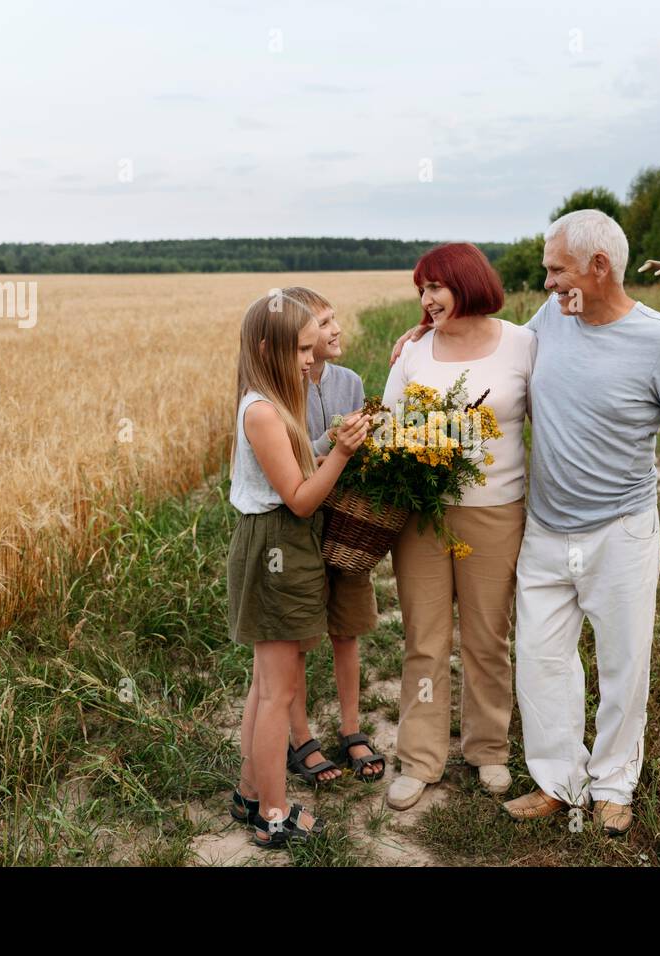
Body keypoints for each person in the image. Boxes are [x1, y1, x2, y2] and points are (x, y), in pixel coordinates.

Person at [389, 211, 660, 835]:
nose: (549, 281)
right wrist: (421, 329)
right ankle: (559, 782)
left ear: (599, 267)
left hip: (620, 529)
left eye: (557, 269)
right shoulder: (548, 323)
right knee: (541, 661)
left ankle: (614, 786)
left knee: (622, 662)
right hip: (543, 528)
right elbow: (485, 343)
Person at [381, 243, 536, 811]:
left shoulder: (522, 343)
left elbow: (550, 418)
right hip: (422, 514)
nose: (425, 299)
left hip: (496, 511)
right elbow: (390, 427)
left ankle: (488, 749)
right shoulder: (415, 349)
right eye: (420, 290)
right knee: (424, 638)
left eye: (435, 288)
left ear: (466, 284)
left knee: (487, 636)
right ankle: (420, 758)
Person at [226, 290, 370, 848]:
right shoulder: (262, 411)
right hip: (276, 548)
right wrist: (341, 453)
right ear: (268, 347)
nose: (312, 360)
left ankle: (248, 794)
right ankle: (274, 813)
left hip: (278, 545)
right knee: (279, 694)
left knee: (266, 687)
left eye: (314, 347)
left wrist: (329, 443)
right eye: (302, 349)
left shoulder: (267, 399)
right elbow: (302, 498)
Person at [277, 285, 386, 785]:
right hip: (299, 527)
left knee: (346, 628)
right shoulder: (280, 391)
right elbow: (294, 459)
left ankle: (352, 728)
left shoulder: (350, 381)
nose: (335, 329)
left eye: (334, 319)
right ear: (297, 337)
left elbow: (358, 454)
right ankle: (299, 738)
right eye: (322, 324)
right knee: (298, 637)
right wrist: (335, 442)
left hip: (346, 526)